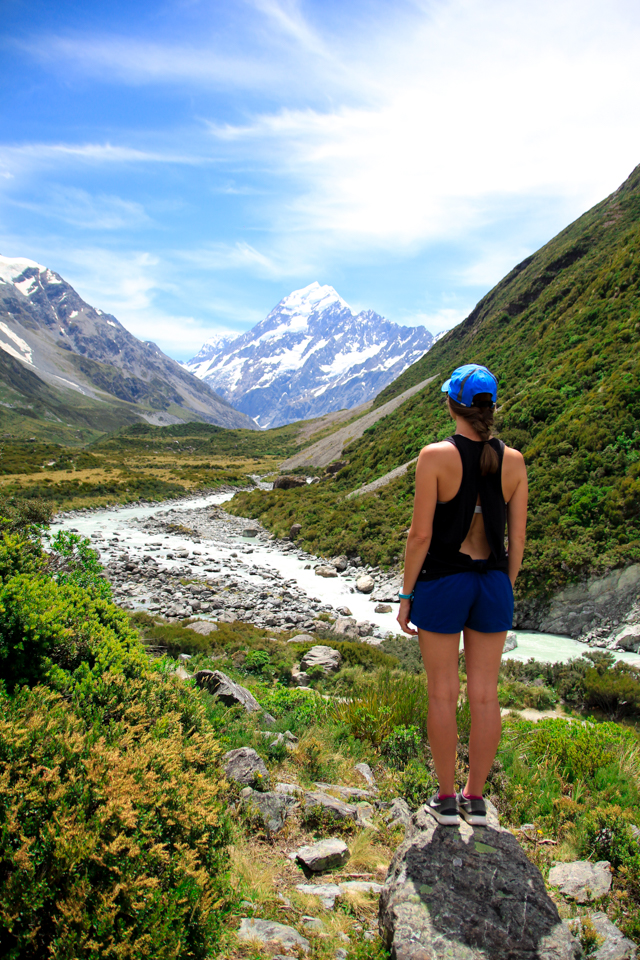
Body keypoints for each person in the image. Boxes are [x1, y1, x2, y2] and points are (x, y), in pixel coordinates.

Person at [397, 363, 528, 826]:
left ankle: (447, 799)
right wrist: (502, 587)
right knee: (486, 696)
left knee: (442, 693)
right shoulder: (513, 460)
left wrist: (406, 594)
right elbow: (517, 539)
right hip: (491, 583)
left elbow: (419, 536)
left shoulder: (434, 456)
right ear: (489, 406)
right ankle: (477, 799)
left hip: (443, 582)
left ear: (451, 403)